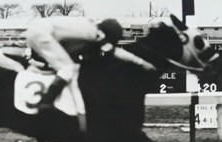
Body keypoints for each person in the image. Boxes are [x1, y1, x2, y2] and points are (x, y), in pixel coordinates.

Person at [24, 17, 156, 110]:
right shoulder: (94, 33)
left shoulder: (88, 29)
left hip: (36, 31)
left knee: (65, 66)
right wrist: (142, 63)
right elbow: (113, 51)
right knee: (69, 68)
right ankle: (46, 103)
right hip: (41, 33)